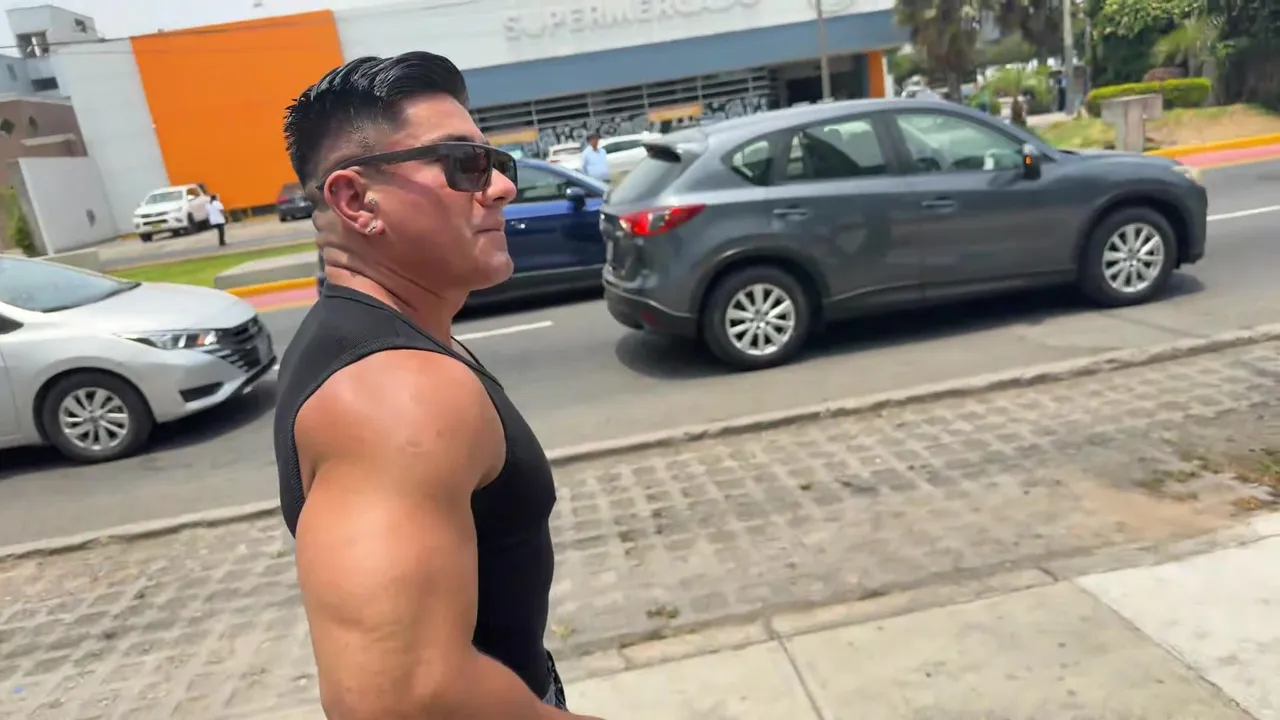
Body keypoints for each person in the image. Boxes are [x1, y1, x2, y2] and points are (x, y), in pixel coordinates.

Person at [273, 52, 604, 720]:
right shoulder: (398, 393)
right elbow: (395, 698)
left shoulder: (375, 338)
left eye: (495, 162)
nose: (501, 187)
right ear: (355, 200)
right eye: (463, 163)